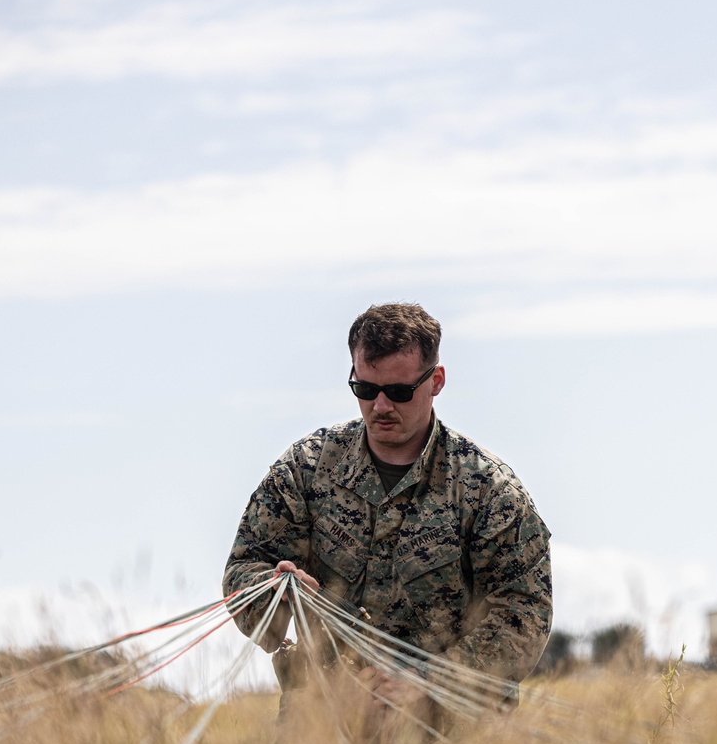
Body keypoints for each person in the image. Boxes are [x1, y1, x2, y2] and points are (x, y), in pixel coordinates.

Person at [223, 302, 552, 717]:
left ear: (436, 381)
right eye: (365, 389)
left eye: (398, 392)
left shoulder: (488, 489)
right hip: (320, 737)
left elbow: (524, 614)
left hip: (450, 743)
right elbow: (242, 569)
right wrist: (272, 591)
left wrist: (432, 683)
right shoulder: (306, 468)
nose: (380, 406)